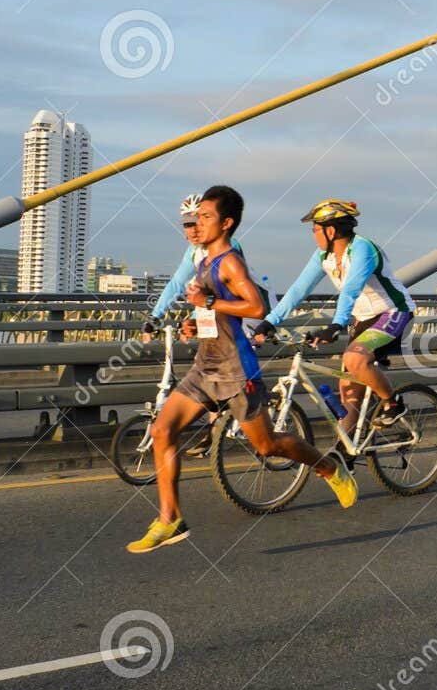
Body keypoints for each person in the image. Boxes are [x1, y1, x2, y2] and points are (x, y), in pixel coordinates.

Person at [127, 185, 356, 554]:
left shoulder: (230, 262)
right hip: (206, 366)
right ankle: (170, 518)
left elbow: (253, 308)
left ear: (226, 223)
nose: (196, 223)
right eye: (194, 217)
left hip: (236, 370)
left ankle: (327, 466)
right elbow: (213, 309)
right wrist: (195, 320)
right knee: (163, 428)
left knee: (267, 446)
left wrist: (210, 301)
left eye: (205, 217)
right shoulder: (202, 261)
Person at [253, 199, 415, 442]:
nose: (314, 234)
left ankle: (393, 403)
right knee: (348, 393)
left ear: (331, 230)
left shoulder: (362, 249)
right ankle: (345, 452)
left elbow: (350, 289)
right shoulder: (324, 256)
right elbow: (298, 290)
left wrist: (336, 325)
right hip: (363, 320)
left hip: (394, 313)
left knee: (354, 357)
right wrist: (270, 321)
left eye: (315, 229)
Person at [140, 193, 243, 340]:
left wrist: (193, 319)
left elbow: (218, 292)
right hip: (218, 315)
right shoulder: (194, 251)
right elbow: (177, 284)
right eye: (188, 224)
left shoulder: (227, 246)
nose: (193, 230)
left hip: (246, 316)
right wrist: (154, 317)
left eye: (198, 223)